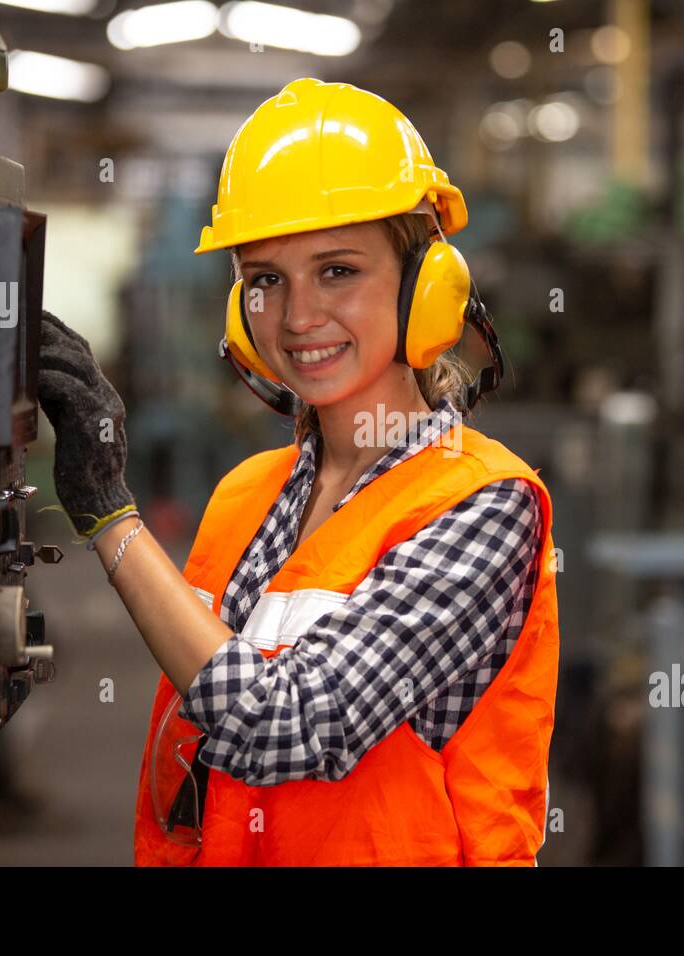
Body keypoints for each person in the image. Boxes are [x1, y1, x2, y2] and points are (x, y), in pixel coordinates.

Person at [37, 77, 559, 867]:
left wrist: (111, 518)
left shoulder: (485, 506)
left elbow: (288, 723)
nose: (298, 317)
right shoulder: (245, 495)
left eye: (338, 270)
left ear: (428, 284)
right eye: (265, 280)